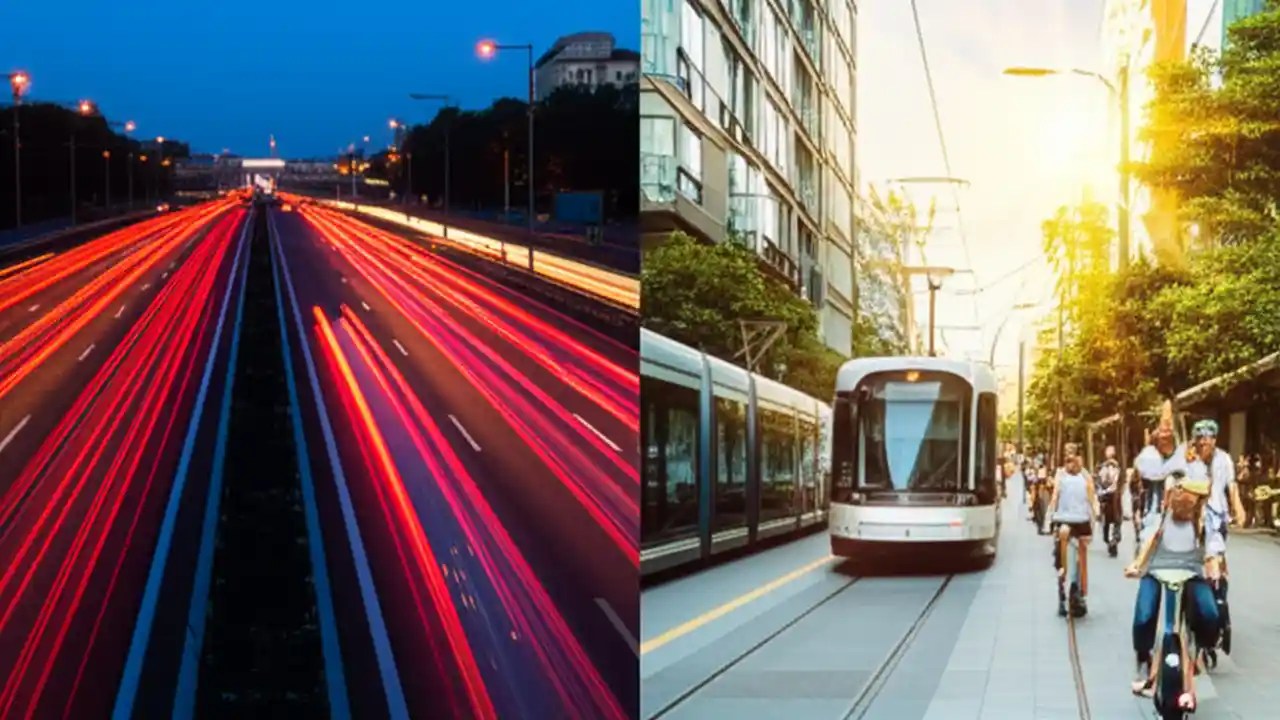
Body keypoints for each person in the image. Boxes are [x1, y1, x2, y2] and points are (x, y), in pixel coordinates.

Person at [1125, 477, 1220, 711]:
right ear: (1168, 498)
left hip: (1191, 574)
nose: (1182, 502)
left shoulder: (1202, 521)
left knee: (1209, 613)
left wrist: (1213, 564)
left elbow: (1211, 548)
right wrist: (1136, 565)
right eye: (1176, 495)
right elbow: (1147, 544)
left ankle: (1200, 655)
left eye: (1189, 498)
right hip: (1157, 573)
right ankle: (1145, 661)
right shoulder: (1158, 520)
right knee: (1144, 614)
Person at [1183, 419, 1245, 657]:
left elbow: (1232, 487)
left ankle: (1220, 606)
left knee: (1216, 563)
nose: (1203, 444)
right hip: (1191, 518)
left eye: (1207, 440)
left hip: (1216, 518)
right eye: (1199, 439)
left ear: (1215, 440)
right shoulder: (1188, 460)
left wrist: (1238, 507)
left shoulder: (1224, 460)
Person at [1046, 450, 1098, 616]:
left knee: (1061, 561)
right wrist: (1093, 522)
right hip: (1081, 523)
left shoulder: (1060, 475)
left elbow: (1055, 498)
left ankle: (1063, 598)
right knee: (1080, 560)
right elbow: (1092, 501)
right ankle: (1077, 594)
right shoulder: (1085, 476)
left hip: (1063, 522)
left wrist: (1050, 520)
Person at [1133, 402, 1185, 539]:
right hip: (1152, 511)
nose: (1165, 438)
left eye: (1168, 436)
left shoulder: (1181, 455)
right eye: (1162, 436)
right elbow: (1138, 481)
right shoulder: (1149, 455)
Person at [1096, 445, 1124, 553]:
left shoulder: (1106, 467)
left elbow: (1101, 482)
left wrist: (1102, 492)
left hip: (1110, 496)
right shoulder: (1113, 466)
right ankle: (1113, 539)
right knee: (1115, 519)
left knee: (1109, 520)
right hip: (1113, 496)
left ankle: (1110, 539)